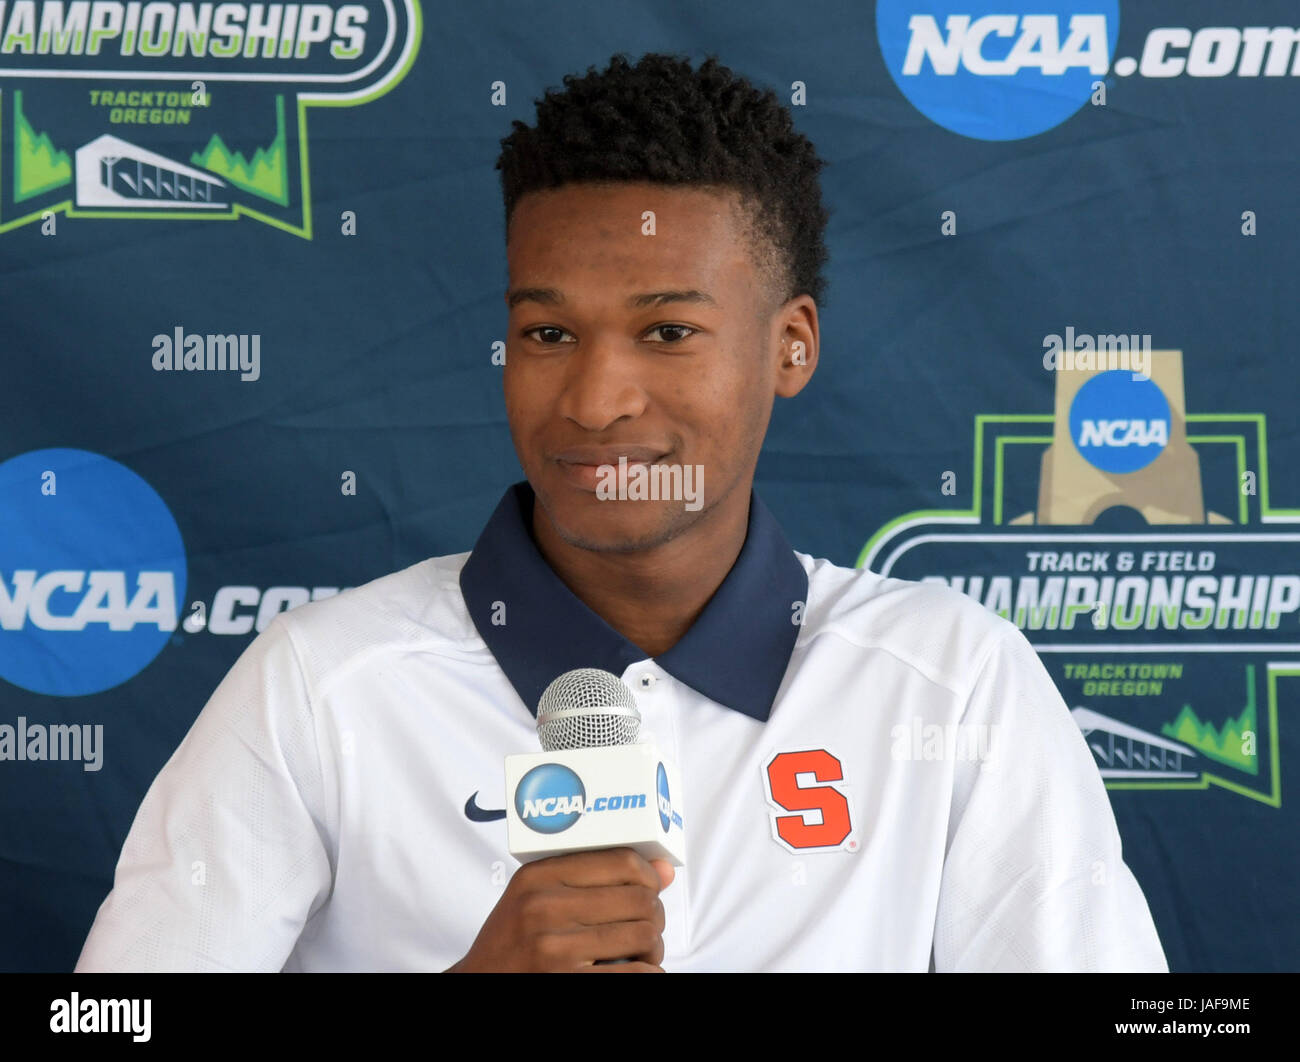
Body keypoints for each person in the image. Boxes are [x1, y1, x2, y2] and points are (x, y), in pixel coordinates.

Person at [75, 51, 1167, 973]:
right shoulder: (321, 686)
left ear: (790, 345)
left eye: (667, 332)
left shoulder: (952, 680)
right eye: (549, 334)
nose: (596, 402)